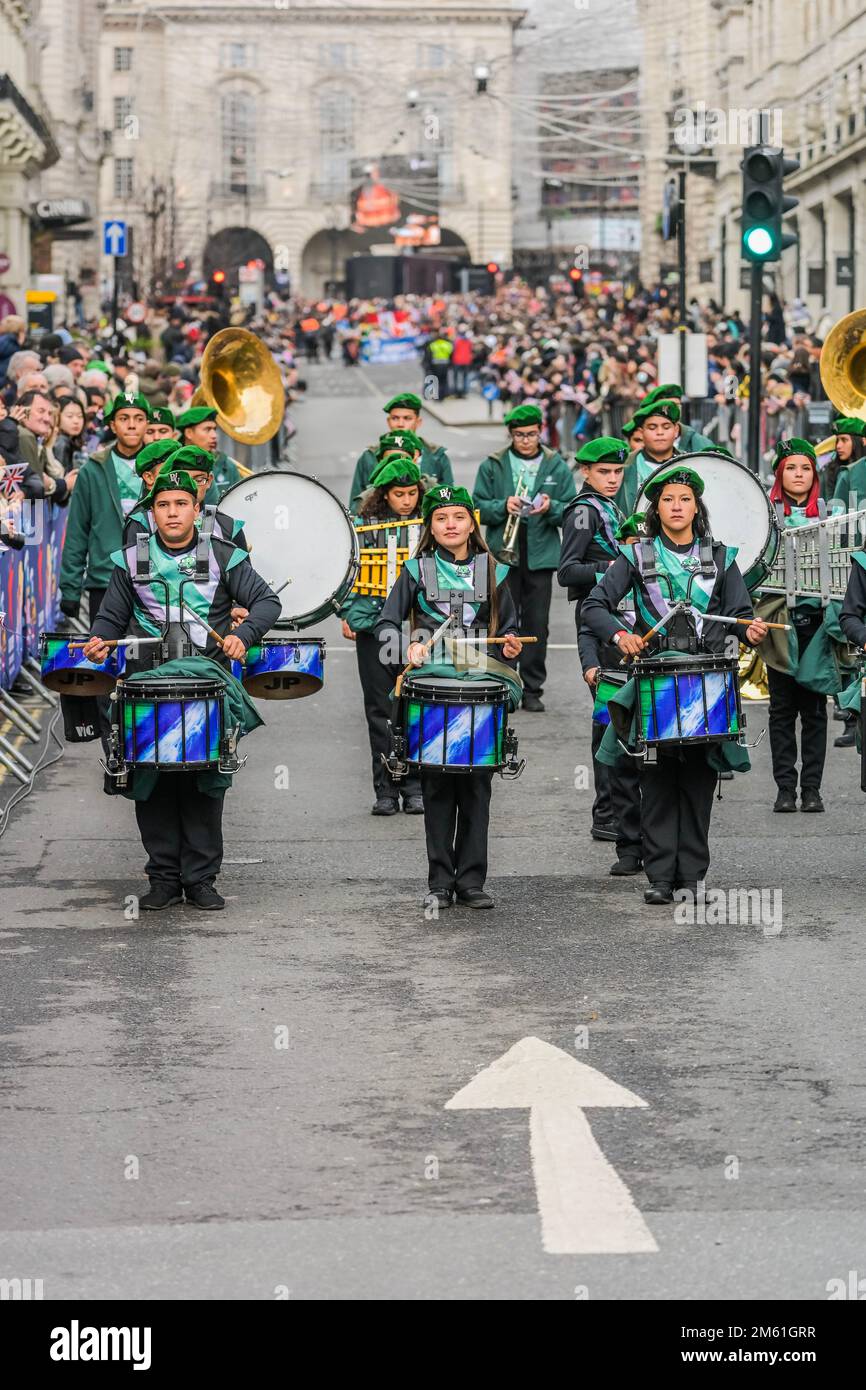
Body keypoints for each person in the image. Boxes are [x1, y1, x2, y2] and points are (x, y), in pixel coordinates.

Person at [83, 467, 280, 911]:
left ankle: (202, 879)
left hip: (205, 682)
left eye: (180, 504)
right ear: (152, 513)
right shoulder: (130, 559)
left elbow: (268, 602)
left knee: (203, 779)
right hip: (147, 683)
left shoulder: (225, 556)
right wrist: (99, 641)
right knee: (150, 778)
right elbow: (111, 618)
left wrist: (243, 637)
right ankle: (163, 879)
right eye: (163, 505)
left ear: (196, 509)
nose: (172, 513)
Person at [582, 462, 768, 904]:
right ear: (657, 508)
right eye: (668, 499)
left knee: (699, 778)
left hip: (708, 679)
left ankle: (692, 878)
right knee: (660, 778)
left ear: (697, 506)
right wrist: (619, 633)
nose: (677, 506)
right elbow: (594, 605)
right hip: (658, 678)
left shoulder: (721, 557)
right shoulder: (636, 555)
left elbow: (739, 615)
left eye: (685, 499)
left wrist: (751, 630)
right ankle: (661, 877)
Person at [376, 483, 523, 910]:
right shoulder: (416, 570)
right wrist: (407, 646)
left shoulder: (494, 570)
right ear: (431, 526)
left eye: (458, 517)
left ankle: (472, 881)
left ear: (471, 523)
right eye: (441, 518)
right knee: (438, 787)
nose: (450, 524)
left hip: (481, 689)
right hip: (433, 691)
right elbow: (386, 624)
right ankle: (440, 881)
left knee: (477, 787)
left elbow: (510, 626)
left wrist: (511, 643)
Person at [557, 437, 641, 868]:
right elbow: (567, 571)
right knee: (609, 718)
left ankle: (616, 810)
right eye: (604, 472)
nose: (612, 479)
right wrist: (615, 568)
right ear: (586, 472)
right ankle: (606, 813)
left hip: (623, 620)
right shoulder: (584, 511)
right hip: (598, 621)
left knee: (628, 717)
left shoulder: (611, 508)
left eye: (617, 472)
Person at [474, 402, 576, 711]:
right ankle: (506, 683)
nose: (526, 440)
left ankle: (533, 689)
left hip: (540, 554)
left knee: (536, 624)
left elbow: (571, 508)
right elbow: (478, 505)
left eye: (531, 434)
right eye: (519, 435)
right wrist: (501, 506)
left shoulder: (555, 463)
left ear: (540, 432)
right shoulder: (493, 464)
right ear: (511, 435)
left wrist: (552, 508)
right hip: (503, 555)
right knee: (503, 623)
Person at [341, 450, 427, 816]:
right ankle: (386, 789)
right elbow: (344, 573)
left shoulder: (428, 526)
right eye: (398, 494)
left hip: (418, 629)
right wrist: (348, 612)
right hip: (373, 627)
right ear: (384, 495)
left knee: (416, 706)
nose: (406, 501)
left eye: (411, 494)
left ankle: (416, 787)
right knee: (380, 709)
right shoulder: (363, 527)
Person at [761, 440, 830, 812]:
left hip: (816, 624)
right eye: (791, 468)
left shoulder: (829, 512)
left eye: (805, 468)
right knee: (782, 710)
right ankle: (785, 788)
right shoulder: (766, 514)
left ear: (814, 474)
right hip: (779, 624)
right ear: (780, 474)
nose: (798, 475)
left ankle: (813, 789)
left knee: (815, 711)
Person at [59, 389, 152, 625]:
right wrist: (70, 589)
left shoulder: (162, 466)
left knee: (149, 656)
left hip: (153, 581)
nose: (131, 425)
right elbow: (77, 532)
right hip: (104, 578)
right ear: (112, 425)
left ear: (147, 424)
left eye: (138, 419)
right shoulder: (93, 470)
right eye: (124, 418)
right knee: (104, 654)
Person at [348, 393, 453, 506]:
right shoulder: (369, 456)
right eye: (395, 418)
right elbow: (356, 503)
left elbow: (448, 499)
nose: (400, 424)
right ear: (388, 421)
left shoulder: (437, 455)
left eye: (407, 418)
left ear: (418, 422)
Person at [614, 399, 683, 514]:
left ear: (676, 430)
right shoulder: (623, 465)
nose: (659, 432)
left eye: (666, 427)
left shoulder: (690, 462)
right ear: (641, 432)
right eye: (652, 427)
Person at [175, 405, 245, 501]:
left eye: (214, 429)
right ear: (189, 433)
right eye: (207, 429)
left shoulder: (227, 465)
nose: (214, 435)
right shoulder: (173, 463)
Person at [830, 417, 866, 512]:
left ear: (859, 441)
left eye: (844, 440)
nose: (838, 446)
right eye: (837, 441)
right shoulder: (834, 473)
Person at [51, 397, 87, 473]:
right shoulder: (61, 442)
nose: (76, 421)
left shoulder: (70, 440)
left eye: (80, 416)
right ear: (57, 417)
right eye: (70, 416)